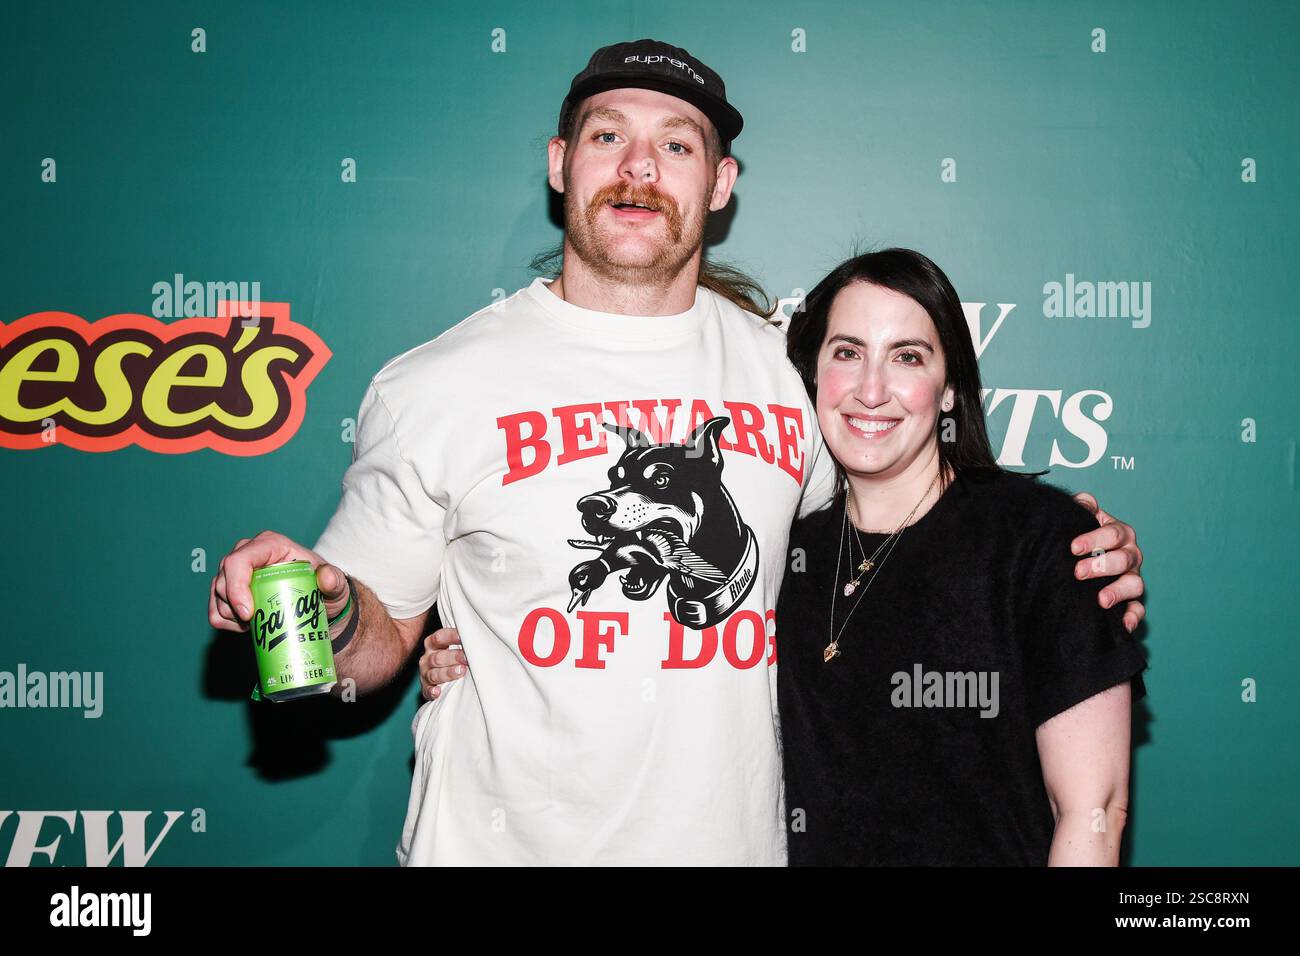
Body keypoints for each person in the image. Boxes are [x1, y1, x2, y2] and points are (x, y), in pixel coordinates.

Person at [208, 39, 1146, 866]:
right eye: (609, 136)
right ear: (559, 163)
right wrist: (330, 613)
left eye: (677, 145)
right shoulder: (434, 385)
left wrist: (1067, 554)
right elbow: (377, 637)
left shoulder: (787, 375)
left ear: (720, 183)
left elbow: (909, 523)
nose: (640, 169)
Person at [777, 247, 1148, 865]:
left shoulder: (1043, 541)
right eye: (847, 352)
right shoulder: (783, 549)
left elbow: (1093, 810)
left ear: (949, 389)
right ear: (812, 373)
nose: (872, 390)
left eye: (907, 357)